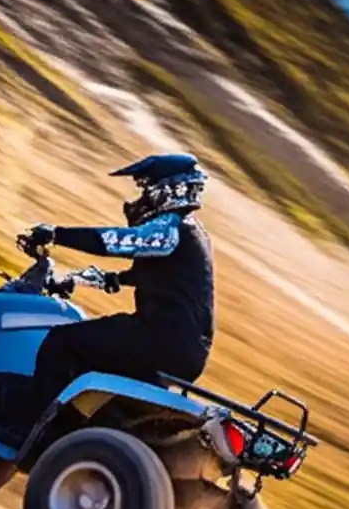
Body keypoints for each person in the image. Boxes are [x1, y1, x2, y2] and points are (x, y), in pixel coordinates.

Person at [19, 153, 215, 423]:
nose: (139, 198)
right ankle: (69, 429)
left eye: (145, 188)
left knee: (61, 343)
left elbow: (116, 242)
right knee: (95, 364)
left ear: (168, 191)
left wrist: (57, 234)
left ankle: (28, 427)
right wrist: (75, 279)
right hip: (184, 350)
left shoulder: (170, 229)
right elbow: (138, 277)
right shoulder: (192, 233)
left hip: (160, 338)